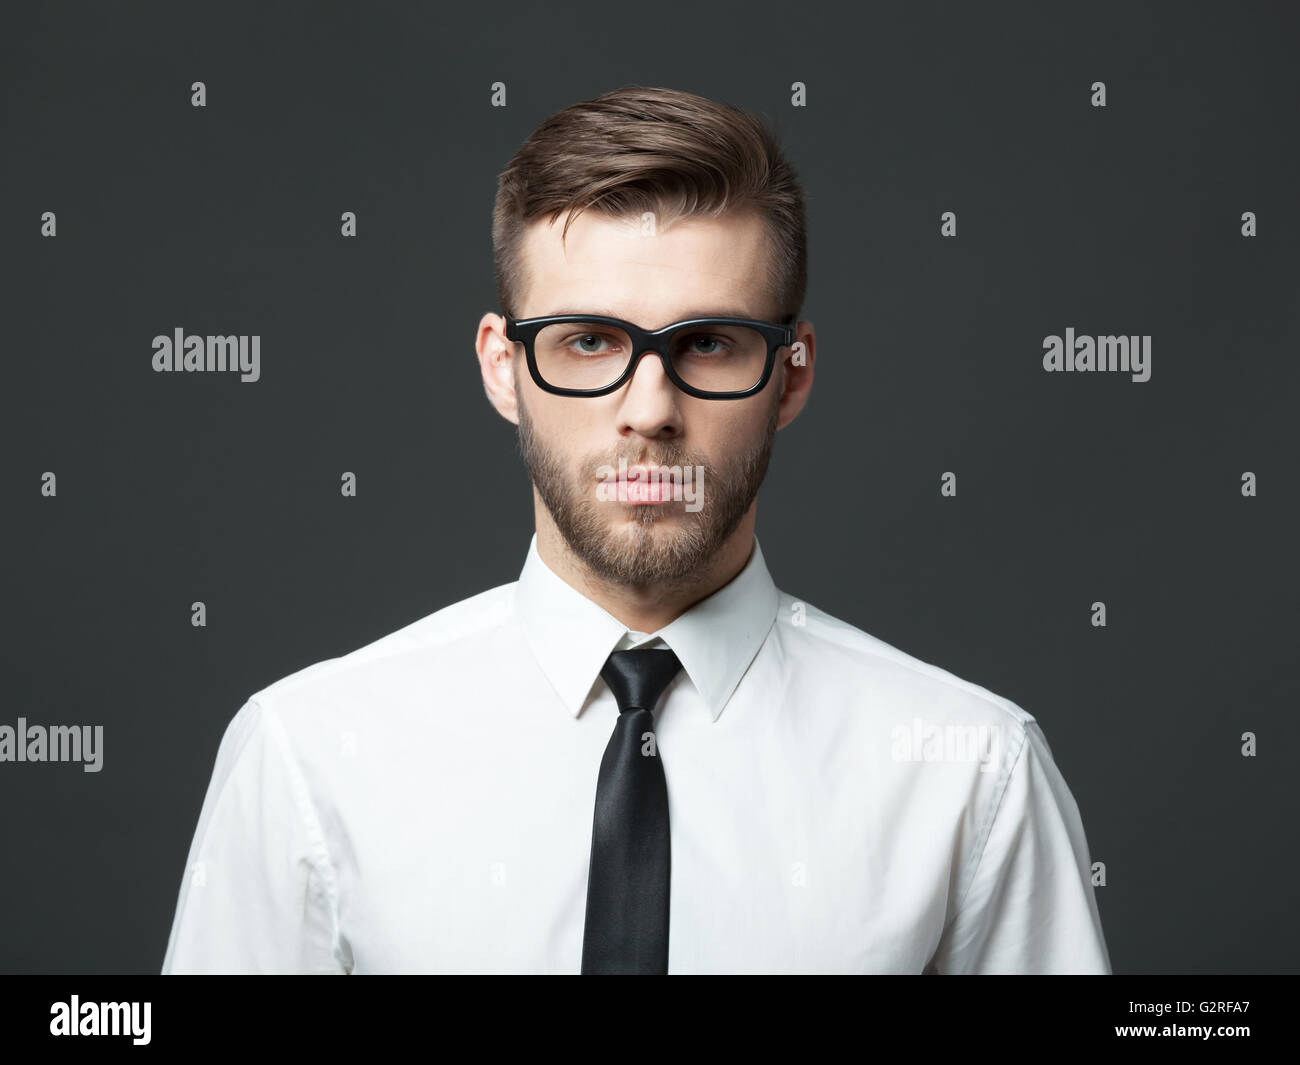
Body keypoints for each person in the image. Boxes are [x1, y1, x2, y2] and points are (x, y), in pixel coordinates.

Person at [161, 85, 1111, 975]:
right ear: (503, 367)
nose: (649, 408)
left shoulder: (970, 773)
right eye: (589, 341)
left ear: (791, 374)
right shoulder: (308, 755)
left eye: (707, 343)